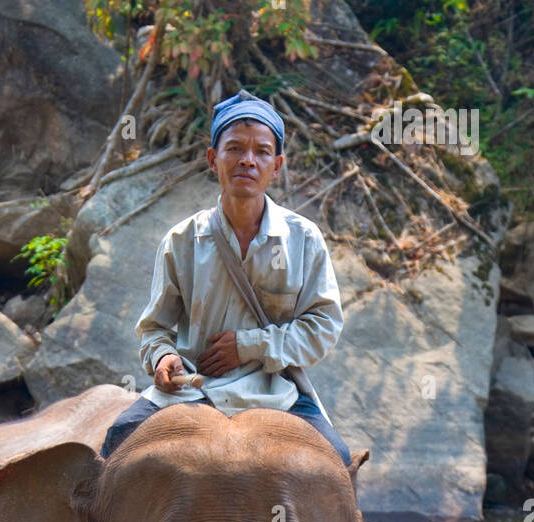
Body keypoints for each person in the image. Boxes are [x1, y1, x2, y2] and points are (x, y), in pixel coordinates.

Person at [101, 89, 351, 465]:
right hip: (192, 389)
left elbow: (323, 327)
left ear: (277, 165)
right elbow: (154, 328)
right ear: (213, 159)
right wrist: (164, 357)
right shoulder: (181, 241)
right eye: (234, 148)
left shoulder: (305, 239)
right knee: (117, 444)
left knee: (338, 461)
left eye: (262, 151)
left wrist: (248, 347)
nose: (247, 161)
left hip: (275, 391)